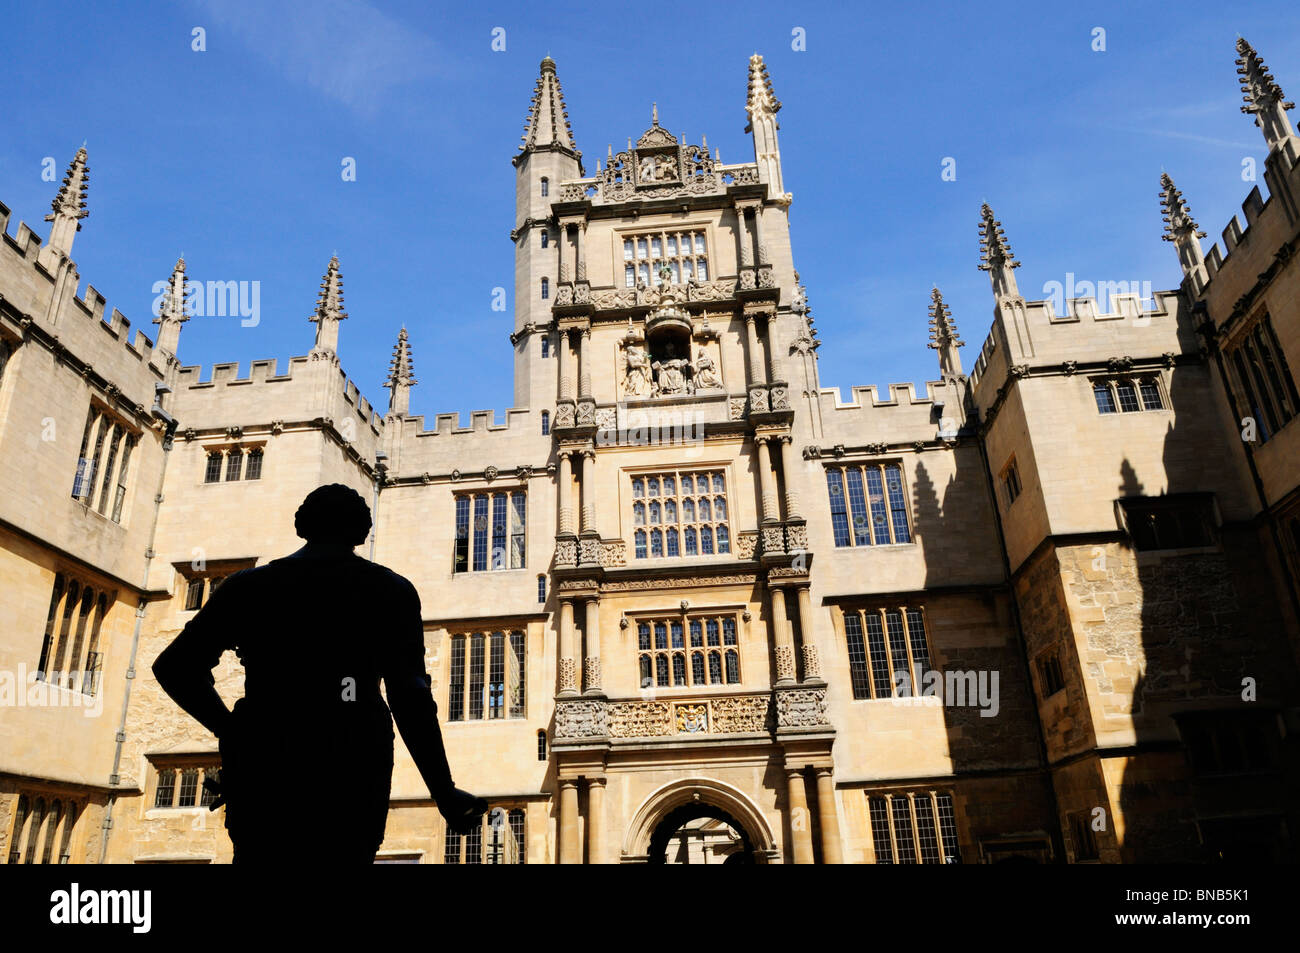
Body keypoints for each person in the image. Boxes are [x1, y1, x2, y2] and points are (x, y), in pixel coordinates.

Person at [153, 483, 487, 864]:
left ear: (302, 526)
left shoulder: (249, 587)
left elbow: (175, 668)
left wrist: (232, 731)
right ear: (363, 531)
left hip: (267, 766)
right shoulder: (389, 591)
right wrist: (442, 790)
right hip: (351, 763)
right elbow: (409, 695)